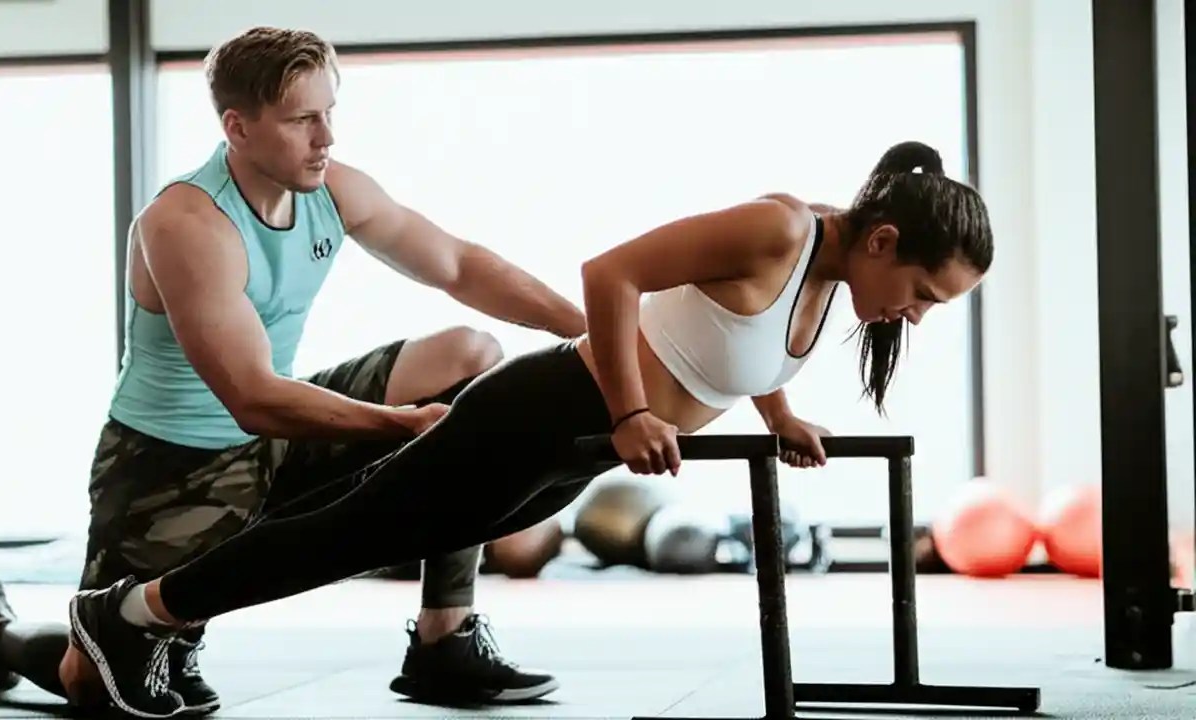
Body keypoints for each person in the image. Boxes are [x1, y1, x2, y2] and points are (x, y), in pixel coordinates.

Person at [59, 136, 994, 717]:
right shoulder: (780, 230)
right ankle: (132, 612)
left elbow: (735, 348)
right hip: (542, 409)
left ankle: (159, 613)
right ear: (883, 241)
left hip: (572, 448)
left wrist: (780, 412)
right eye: (923, 292)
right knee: (347, 535)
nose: (916, 314)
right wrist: (633, 409)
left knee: (358, 527)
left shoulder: (830, 280)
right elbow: (610, 274)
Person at [0, 25, 588, 714]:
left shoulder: (332, 189)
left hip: (278, 440)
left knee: (470, 355)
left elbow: (460, 266)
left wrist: (591, 333)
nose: (326, 137)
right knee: (91, 680)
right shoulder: (186, 223)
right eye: (301, 120)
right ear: (238, 127)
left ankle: (446, 638)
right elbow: (252, 398)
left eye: (329, 113)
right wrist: (405, 425)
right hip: (169, 464)